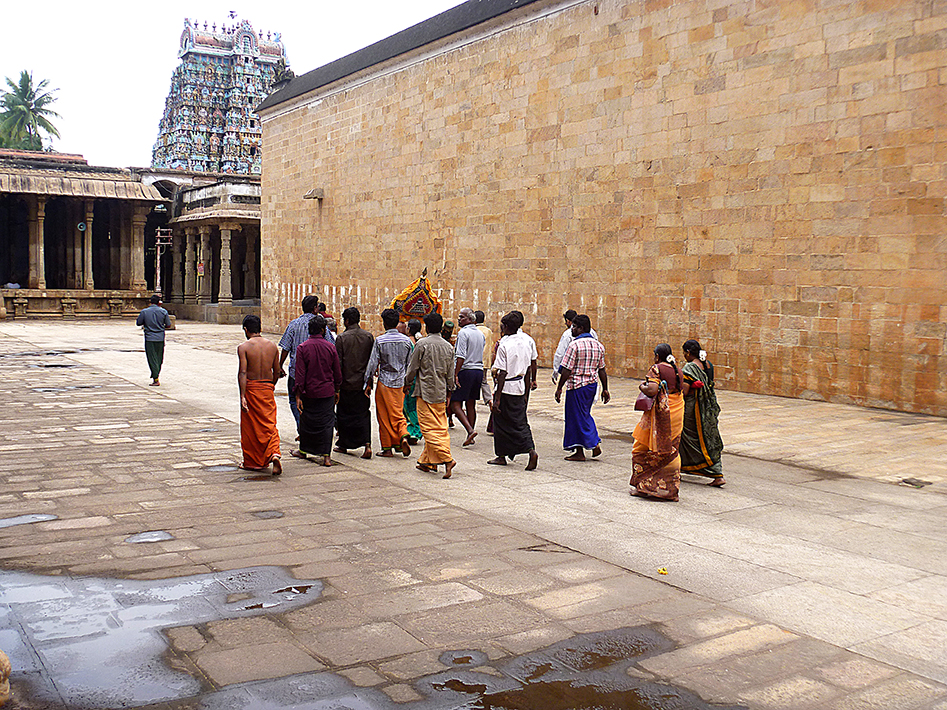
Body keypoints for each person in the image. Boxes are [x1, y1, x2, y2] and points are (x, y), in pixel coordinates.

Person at [630, 343, 688, 501]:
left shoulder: (656, 368)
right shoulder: (678, 370)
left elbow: (652, 390)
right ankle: (668, 490)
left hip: (661, 414)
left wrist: (642, 387)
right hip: (677, 411)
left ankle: (643, 487)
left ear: (657, 356)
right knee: (671, 449)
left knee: (642, 446)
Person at [404, 311, 456, 478]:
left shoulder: (422, 344)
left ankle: (447, 459)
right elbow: (450, 374)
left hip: (425, 392)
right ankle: (427, 462)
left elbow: (413, 369)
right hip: (440, 392)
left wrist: (407, 383)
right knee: (440, 428)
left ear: (426, 327)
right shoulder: (448, 347)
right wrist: (450, 392)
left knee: (428, 429)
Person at [554, 314, 610, 461]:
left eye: (575, 326)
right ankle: (583, 446)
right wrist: (605, 388)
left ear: (581, 328)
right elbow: (602, 370)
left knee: (576, 417)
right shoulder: (599, 346)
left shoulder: (574, 345)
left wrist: (559, 387)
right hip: (591, 386)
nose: (572, 329)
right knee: (583, 414)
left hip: (576, 386)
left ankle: (591, 443)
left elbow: (566, 368)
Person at [488, 313, 539, 470]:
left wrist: (497, 399)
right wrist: (525, 392)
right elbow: (529, 368)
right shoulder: (526, 342)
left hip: (506, 388)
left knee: (501, 423)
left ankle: (502, 455)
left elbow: (502, 372)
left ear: (507, 327)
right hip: (519, 387)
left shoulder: (504, 344)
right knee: (519, 421)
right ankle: (529, 450)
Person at [292, 315, 341, 466]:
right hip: (327, 391)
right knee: (327, 423)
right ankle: (326, 456)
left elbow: (300, 375)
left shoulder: (302, 348)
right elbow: (337, 372)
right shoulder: (330, 347)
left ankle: (304, 450)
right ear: (322, 330)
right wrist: (337, 390)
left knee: (307, 421)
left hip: (309, 392)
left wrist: (298, 395)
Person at [365, 308, 413, 458]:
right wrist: (408, 384)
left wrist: (367, 382)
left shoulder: (379, 340)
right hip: (400, 382)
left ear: (384, 323)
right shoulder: (406, 341)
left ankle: (387, 448)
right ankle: (403, 434)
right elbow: (410, 365)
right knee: (398, 412)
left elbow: (373, 364)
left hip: (384, 382)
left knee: (384, 416)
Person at [237, 314, 282, 475]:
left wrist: (242, 396)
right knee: (269, 424)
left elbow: (243, 372)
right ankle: (274, 453)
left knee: (251, 428)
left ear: (246, 330)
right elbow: (277, 371)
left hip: (251, 388)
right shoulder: (272, 346)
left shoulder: (244, 347)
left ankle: (252, 461)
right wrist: (271, 386)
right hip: (266, 388)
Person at [680, 339, 725, 486]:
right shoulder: (708, 364)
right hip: (708, 407)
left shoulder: (689, 367)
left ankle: (710, 471)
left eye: (684, 353)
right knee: (709, 438)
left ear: (688, 352)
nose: (684, 356)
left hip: (694, 410)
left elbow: (685, 391)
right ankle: (716, 472)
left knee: (689, 438)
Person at [334, 307, 374, 459]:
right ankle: (367, 445)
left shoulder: (342, 338)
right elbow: (372, 362)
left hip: (346, 383)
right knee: (363, 413)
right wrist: (370, 382)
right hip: (363, 384)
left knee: (344, 414)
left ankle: (344, 444)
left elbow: (338, 364)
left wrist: (336, 387)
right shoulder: (368, 337)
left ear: (347, 320)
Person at [279, 295, 318, 427]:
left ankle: (301, 426)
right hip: (315, 372)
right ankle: (308, 428)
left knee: (294, 400)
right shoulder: (320, 324)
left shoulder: (294, 324)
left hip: (296, 371)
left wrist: (280, 366)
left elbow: (285, 347)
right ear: (314, 308)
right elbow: (331, 346)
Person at [450, 307, 486, 447]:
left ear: (470, 319)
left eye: (462, 317)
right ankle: (470, 434)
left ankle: (470, 430)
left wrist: (455, 373)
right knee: (471, 403)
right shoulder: (479, 334)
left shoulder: (463, 333)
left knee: (455, 403)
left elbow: (461, 355)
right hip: (478, 370)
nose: (459, 319)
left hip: (466, 370)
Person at [552, 309, 598, 383]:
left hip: (575, 378)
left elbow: (560, 354)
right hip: (591, 377)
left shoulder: (568, 335)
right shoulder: (593, 333)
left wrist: (556, 371)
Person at [137, 294, 172, 386]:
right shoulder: (163, 311)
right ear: (159, 302)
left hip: (149, 338)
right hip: (160, 337)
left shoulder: (144, 312)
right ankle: (156, 374)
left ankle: (155, 377)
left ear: (150, 302)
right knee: (159, 357)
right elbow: (168, 325)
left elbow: (138, 323)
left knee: (151, 358)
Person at [403, 318, 423, 444]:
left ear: (409, 329)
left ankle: (412, 431)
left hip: (410, 377)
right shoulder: (420, 342)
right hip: (418, 377)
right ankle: (415, 430)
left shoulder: (408, 342)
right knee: (415, 406)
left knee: (408, 407)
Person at [475, 310, 495, 407]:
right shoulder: (488, 331)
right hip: (485, 360)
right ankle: (488, 399)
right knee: (484, 381)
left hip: (474, 360)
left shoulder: (474, 330)